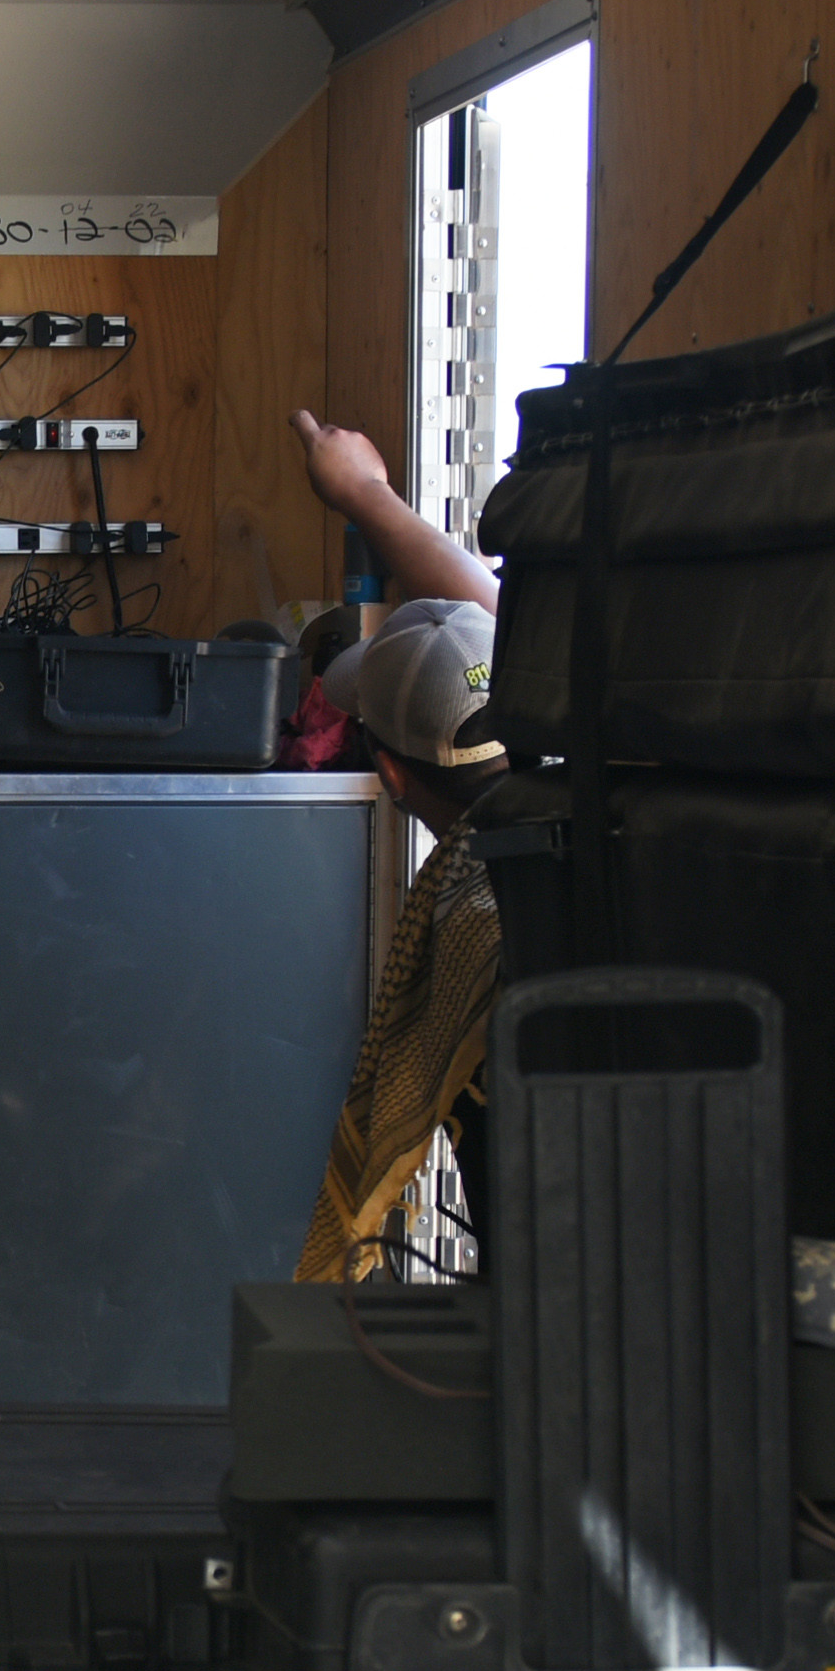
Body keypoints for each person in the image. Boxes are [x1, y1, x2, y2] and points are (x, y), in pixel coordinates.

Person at [282, 409, 513, 1280]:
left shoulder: (468, 927)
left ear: (389, 773)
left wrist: (360, 490)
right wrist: (366, 494)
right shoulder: (586, 787)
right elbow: (496, 619)